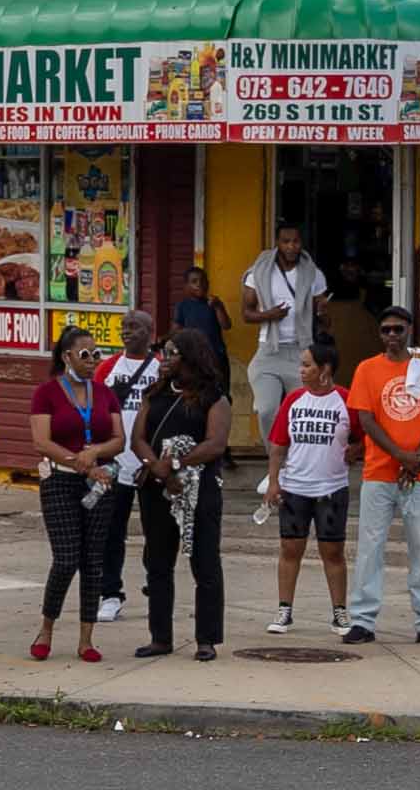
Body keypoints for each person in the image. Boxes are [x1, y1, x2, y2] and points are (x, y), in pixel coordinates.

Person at [344, 307, 420, 650]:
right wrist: (401, 456)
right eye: (385, 330)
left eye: (397, 329)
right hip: (380, 471)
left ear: (409, 330)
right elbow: (366, 420)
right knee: (370, 547)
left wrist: (418, 455)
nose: (392, 336)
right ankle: (362, 620)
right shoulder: (367, 368)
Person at [134, 317, 235, 661]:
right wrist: (156, 467)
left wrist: (176, 464)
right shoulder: (156, 392)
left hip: (199, 490)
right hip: (156, 488)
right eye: (164, 352)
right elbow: (138, 439)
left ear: (191, 357)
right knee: (158, 564)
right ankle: (160, 637)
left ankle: (206, 638)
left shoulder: (214, 397)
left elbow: (215, 444)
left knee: (205, 563)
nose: (165, 358)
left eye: (172, 353)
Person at [28, 322, 128, 668]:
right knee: (66, 557)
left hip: (101, 482)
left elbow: (119, 439)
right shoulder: (47, 392)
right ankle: (46, 630)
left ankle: (86, 638)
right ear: (66, 356)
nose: (91, 360)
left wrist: (97, 452)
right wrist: (82, 463)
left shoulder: (105, 392)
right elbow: (42, 441)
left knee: (93, 561)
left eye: (96, 354)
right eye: (84, 354)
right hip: (61, 480)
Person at [262, 347, 358, 645]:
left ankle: (340, 611)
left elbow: (364, 437)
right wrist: (274, 482)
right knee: (290, 549)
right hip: (295, 488)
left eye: (307, 365)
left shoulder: (346, 400)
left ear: (325, 369)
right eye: (301, 366)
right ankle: (284, 609)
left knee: (333, 552)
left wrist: (357, 450)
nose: (301, 371)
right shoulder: (293, 400)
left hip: (331, 489)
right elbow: (278, 444)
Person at [241, 219, 329, 439]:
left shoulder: (313, 274)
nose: (291, 246)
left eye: (296, 241)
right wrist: (268, 315)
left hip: (302, 352)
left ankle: (296, 461)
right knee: (267, 410)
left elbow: (326, 322)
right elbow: (246, 314)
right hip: (269, 351)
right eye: (286, 241)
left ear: (302, 243)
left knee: (301, 412)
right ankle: (276, 459)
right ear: (277, 243)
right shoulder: (259, 272)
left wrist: (323, 312)